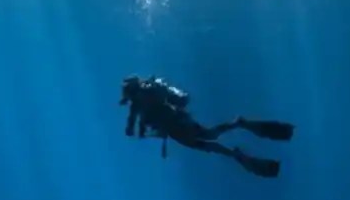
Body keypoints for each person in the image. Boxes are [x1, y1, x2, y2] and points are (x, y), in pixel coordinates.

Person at [118, 75, 295, 178]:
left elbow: (130, 128)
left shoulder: (137, 103)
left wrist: (140, 131)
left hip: (176, 129)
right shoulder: (147, 96)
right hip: (181, 122)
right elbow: (135, 124)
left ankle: (235, 147)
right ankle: (237, 129)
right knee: (209, 137)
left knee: (208, 142)